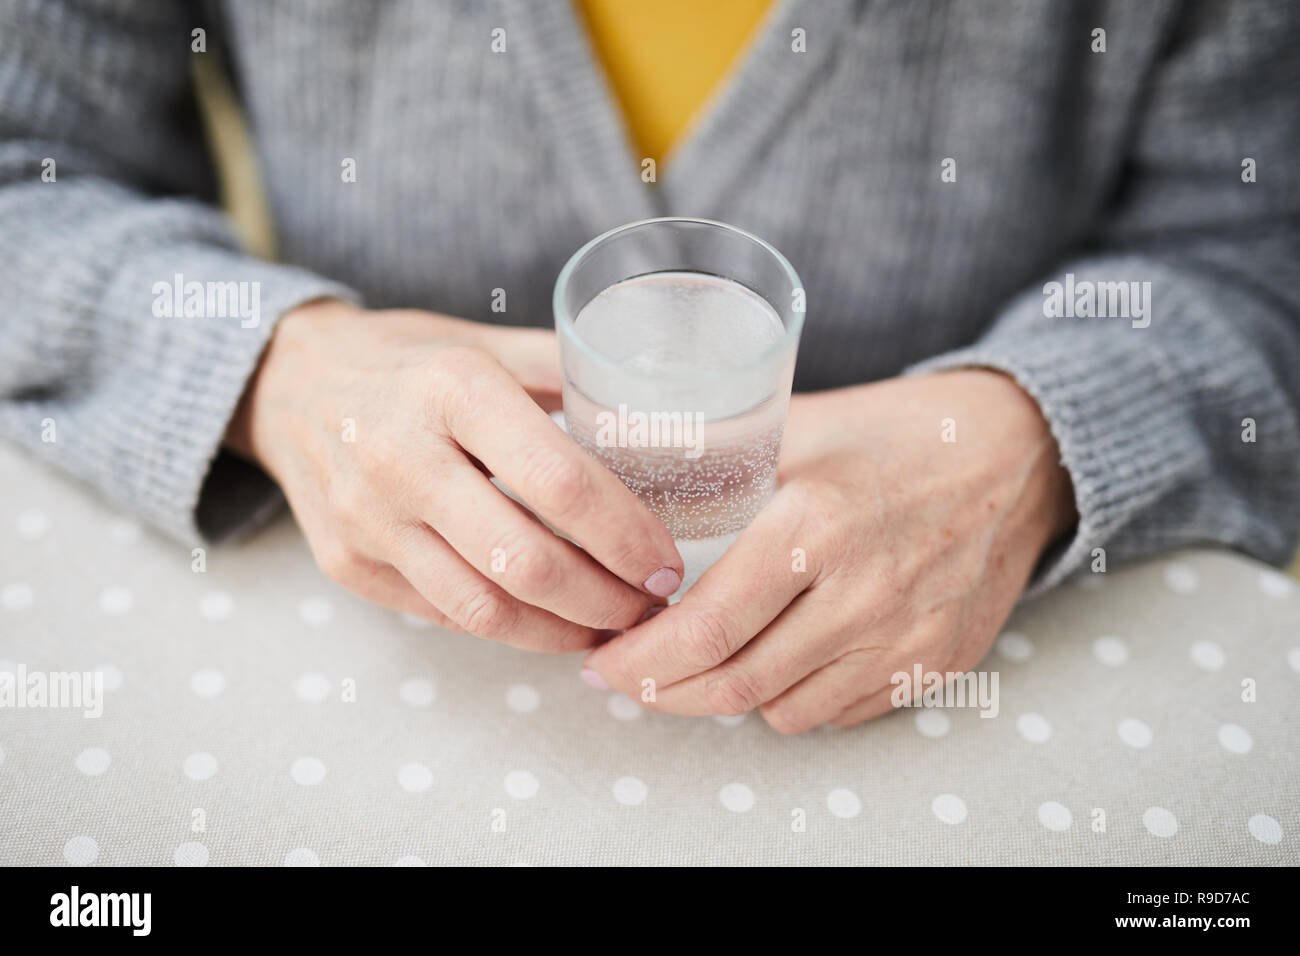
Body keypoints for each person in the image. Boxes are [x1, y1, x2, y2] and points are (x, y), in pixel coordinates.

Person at [2, 0, 1297, 733]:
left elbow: (1258, 238)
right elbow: (25, 165)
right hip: (376, 707)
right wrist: (279, 368)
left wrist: (1035, 440)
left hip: (971, 703)